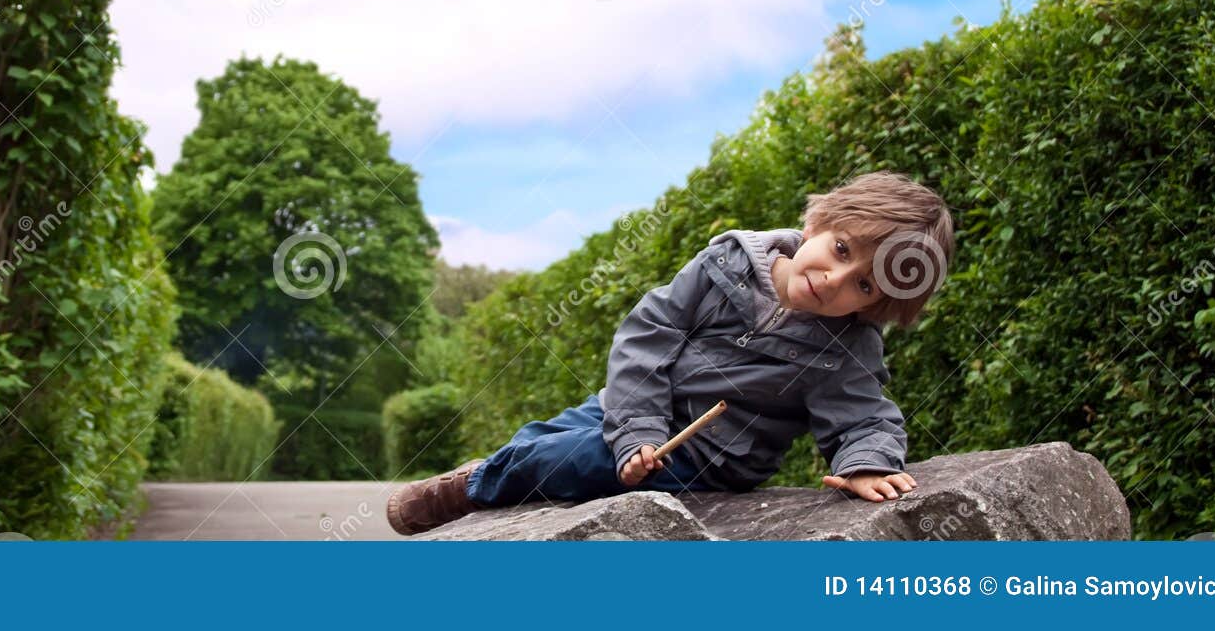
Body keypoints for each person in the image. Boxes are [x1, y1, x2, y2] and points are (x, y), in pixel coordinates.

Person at [386, 170, 955, 536]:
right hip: (635, 401)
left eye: (863, 285)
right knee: (543, 437)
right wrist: (635, 426)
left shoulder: (845, 346)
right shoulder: (724, 265)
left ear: (875, 306)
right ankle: (495, 470)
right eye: (840, 249)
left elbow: (864, 412)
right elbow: (648, 334)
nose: (835, 279)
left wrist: (867, 462)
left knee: (577, 460)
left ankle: (467, 488)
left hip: (704, 454)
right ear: (817, 221)